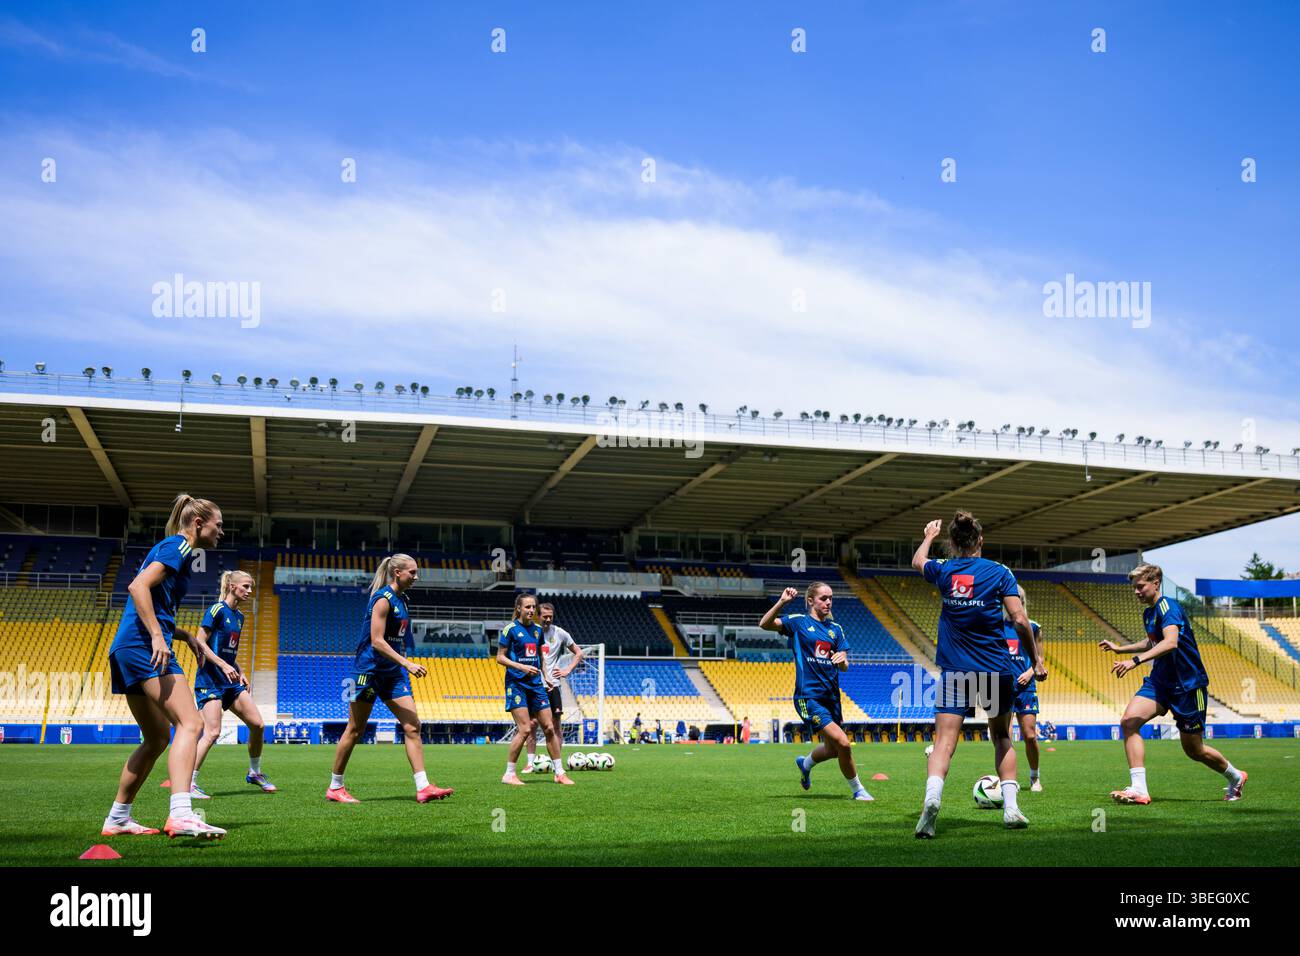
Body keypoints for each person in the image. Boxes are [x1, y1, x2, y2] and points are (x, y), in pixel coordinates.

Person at [101, 494, 230, 839]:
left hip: (127, 647)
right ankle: (181, 813)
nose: (222, 531)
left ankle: (117, 818)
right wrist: (159, 637)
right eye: (219, 524)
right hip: (144, 645)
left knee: (157, 737)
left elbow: (155, 602)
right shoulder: (180, 547)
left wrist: (184, 635)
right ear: (199, 523)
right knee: (192, 723)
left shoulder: (173, 548)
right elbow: (138, 586)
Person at [911, 512, 1047, 838]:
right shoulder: (1000, 572)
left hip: (956, 671)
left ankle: (931, 803)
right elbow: (1019, 620)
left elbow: (918, 561)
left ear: (953, 543)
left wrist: (929, 535)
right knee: (1001, 738)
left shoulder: (943, 569)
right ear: (981, 541)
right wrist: (1037, 659)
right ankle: (1012, 809)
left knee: (944, 742)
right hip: (996, 671)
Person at [1099, 563, 1246, 804]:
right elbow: (1152, 642)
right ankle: (1139, 789)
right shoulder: (1149, 612)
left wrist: (1134, 662)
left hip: (1188, 686)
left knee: (1194, 750)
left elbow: (1170, 643)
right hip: (1160, 682)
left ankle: (1236, 777)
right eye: (1133, 588)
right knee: (1129, 721)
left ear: (1155, 583)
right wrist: (1120, 648)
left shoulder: (1168, 606)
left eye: (1140, 586)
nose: (1136, 592)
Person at [326, 554, 453, 804]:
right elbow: (377, 641)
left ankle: (423, 786)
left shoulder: (403, 600)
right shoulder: (382, 600)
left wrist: (402, 664)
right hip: (367, 672)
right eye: (412, 572)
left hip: (391, 674)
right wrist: (407, 663)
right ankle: (335, 787)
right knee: (355, 729)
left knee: (412, 725)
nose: (416, 577)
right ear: (397, 572)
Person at [759, 582, 872, 801]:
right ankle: (858, 790)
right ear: (810, 600)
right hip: (808, 697)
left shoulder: (835, 629)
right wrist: (782, 602)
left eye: (830, 598)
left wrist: (842, 660)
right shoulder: (799, 623)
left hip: (832, 698)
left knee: (832, 750)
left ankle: (805, 763)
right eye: (823, 598)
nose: (828, 602)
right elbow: (764, 624)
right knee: (844, 743)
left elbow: (844, 664)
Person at [190, 570, 276, 797]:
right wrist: (222, 665)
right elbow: (199, 642)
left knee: (257, 725)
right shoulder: (217, 610)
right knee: (212, 732)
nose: (249, 591)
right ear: (231, 585)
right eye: (246, 586)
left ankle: (254, 773)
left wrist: (239, 670)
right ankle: (189, 782)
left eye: (251, 587)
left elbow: (229, 651)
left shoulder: (240, 617)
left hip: (231, 681)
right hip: (210, 680)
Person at [498, 594, 575, 785]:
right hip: (517, 685)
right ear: (518, 609)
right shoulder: (510, 630)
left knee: (549, 727)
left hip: (536, 685)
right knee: (525, 729)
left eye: (533, 607)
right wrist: (522, 667)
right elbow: (500, 657)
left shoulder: (537, 630)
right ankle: (509, 774)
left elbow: (540, 658)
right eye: (527, 607)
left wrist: (547, 677)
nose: (531, 611)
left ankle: (559, 773)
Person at [522, 602, 583, 772]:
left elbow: (579, 652)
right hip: (533, 684)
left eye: (550, 617)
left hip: (553, 685)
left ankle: (557, 763)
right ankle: (530, 763)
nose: (548, 619)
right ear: (538, 616)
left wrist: (567, 670)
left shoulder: (560, 633)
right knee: (532, 724)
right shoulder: (529, 631)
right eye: (544, 616)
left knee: (555, 725)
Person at [1003, 586, 1044, 791]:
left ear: (1023, 600)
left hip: (1026, 686)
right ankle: (1010, 780)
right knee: (1005, 736)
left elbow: (1040, 657)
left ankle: (1034, 776)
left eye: (1017, 597)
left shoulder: (1033, 626)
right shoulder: (997, 626)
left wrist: (1030, 672)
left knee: (1029, 735)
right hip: (1003, 686)